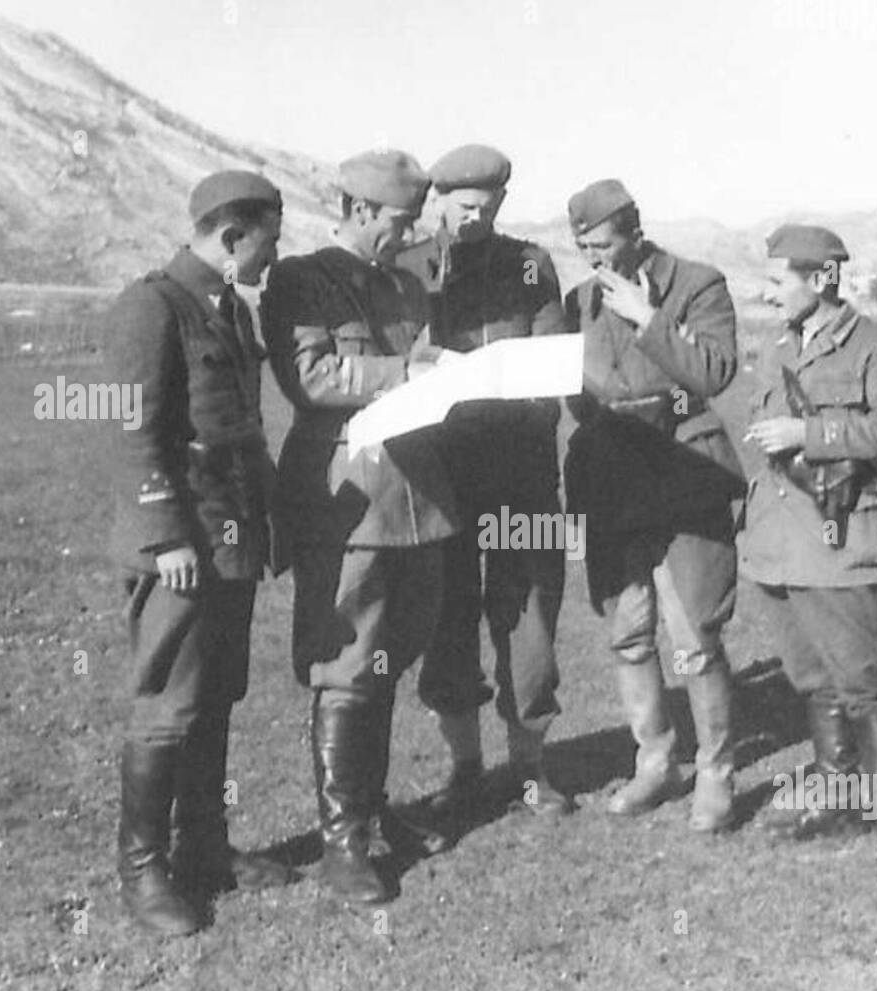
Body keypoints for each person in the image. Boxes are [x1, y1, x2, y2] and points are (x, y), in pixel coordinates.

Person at [260, 150, 460, 904]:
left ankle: (371, 813)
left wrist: (436, 367)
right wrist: (397, 374)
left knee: (391, 655)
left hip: (416, 496)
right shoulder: (302, 279)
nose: (405, 236)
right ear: (360, 210)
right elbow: (310, 378)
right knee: (348, 661)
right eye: (399, 222)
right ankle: (343, 845)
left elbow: (413, 363)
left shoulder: (407, 282)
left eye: (412, 223)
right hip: (348, 502)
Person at [107, 169, 294, 937]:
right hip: (181, 545)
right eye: (267, 245)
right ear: (231, 236)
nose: (271, 262)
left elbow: (237, 432)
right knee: (169, 704)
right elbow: (132, 430)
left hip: (230, 538)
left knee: (217, 693)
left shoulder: (227, 312)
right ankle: (143, 870)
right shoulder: (151, 306)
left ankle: (204, 849)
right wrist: (165, 539)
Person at [738, 224, 877, 882]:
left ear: (820, 280)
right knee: (811, 679)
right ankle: (839, 799)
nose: (766, 294)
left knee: (864, 684)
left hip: (842, 537)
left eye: (776, 280)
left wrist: (810, 432)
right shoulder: (777, 346)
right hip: (779, 541)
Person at [562, 179, 746, 832]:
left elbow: (716, 372)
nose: (595, 260)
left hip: (685, 477)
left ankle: (718, 773)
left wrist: (648, 319)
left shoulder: (698, 284)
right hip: (611, 482)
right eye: (583, 247)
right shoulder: (577, 301)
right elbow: (575, 393)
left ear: (635, 231)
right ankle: (655, 762)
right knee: (628, 634)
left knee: (694, 634)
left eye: (604, 244)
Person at [395, 144, 571, 821]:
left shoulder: (532, 265)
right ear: (437, 200)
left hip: (523, 471)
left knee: (529, 623)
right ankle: (464, 767)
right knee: (447, 622)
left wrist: (520, 387)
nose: (472, 215)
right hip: (439, 476)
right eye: (460, 204)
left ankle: (530, 766)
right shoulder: (410, 267)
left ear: (502, 201)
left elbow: (551, 357)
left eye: (485, 204)